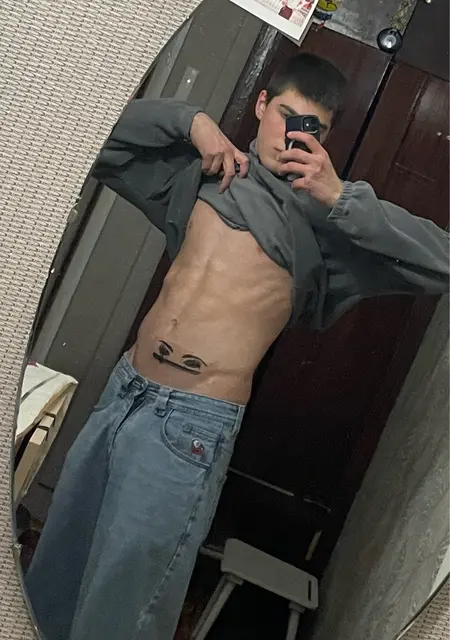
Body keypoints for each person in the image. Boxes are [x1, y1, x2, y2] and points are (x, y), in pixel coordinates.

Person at [25, 53, 449, 640]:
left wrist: (341, 197)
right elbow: (86, 133)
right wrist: (192, 122)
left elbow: (442, 259)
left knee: (125, 606)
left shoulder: (326, 227)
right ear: (261, 105)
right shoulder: (202, 175)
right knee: (55, 570)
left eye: (313, 127)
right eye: (285, 115)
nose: (293, 135)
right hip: (125, 393)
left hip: (191, 425)